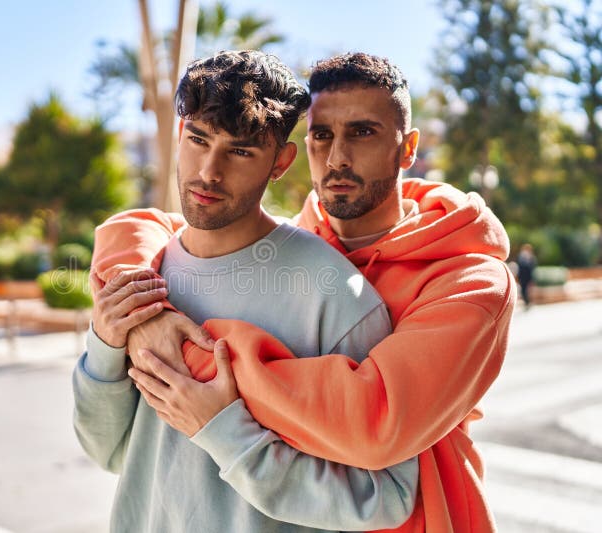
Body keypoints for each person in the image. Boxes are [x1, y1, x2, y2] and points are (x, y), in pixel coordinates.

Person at [90, 52, 517, 533]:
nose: (337, 159)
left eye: (363, 132)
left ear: (408, 147)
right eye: (322, 135)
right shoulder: (297, 237)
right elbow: (147, 227)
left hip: (424, 517)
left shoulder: (469, 281)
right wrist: (139, 309)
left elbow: (378, 423)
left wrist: (189, 354)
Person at [516, 243, 537, 308]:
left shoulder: (531, 257)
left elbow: (532, 268)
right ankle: (526, 302)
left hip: (528, 276)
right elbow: (519, 267)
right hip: (522, 276)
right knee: (523, 289)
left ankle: (528, 302)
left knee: (529, 290)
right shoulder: (521, 256)